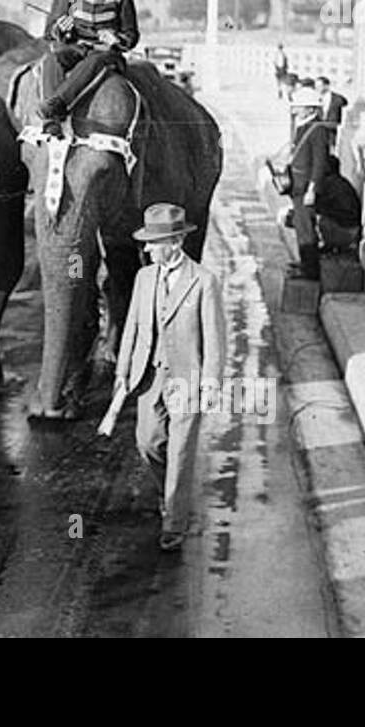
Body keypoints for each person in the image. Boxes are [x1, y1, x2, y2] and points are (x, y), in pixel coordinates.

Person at [114, 203, 226, 553]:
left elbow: (216, 337)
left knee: (179, 453)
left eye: (153, 242)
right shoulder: (144, 278)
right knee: (147, 443)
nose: (146, 249)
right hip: (150, 377)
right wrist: (122, 372)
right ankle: (172, 495)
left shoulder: (204, 282)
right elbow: (131, 327)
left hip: (187, 381)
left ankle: (174, 523)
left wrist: (211, 381)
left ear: (175, 242)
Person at [37, 0, 139, 136]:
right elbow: (49, 31)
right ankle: (51, 121)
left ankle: (56, 105)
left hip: (105, 54)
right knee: (53, 58)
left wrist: (116, 38)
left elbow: (131, 35)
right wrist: (60, 28)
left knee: (95, 60)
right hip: (76, 48)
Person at [287, 87, 330, 281]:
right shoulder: (303, 125)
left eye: (299, 106)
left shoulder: (317, 129)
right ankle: (305, 264)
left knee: (306, 230)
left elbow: (320, 162)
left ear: (311, 109)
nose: (295, 109)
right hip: (297, 186)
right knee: (300, 225)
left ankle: (310, 271)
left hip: (306, 188)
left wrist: (312, 189)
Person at [315, 155, 362, 254]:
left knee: (320, 219)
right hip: (354, 230)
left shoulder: (328, 184)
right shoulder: (342, 182)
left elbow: (318, 206)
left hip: (344, 231)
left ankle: (331, 244)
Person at [318, 76, 348, 147]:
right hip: (318, 131)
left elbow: (344, 102)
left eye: (319, 86)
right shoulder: (316, 98)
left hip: (331, 131)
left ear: (326, 86)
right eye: (316, 86)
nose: (317, 88)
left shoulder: (336, 99)